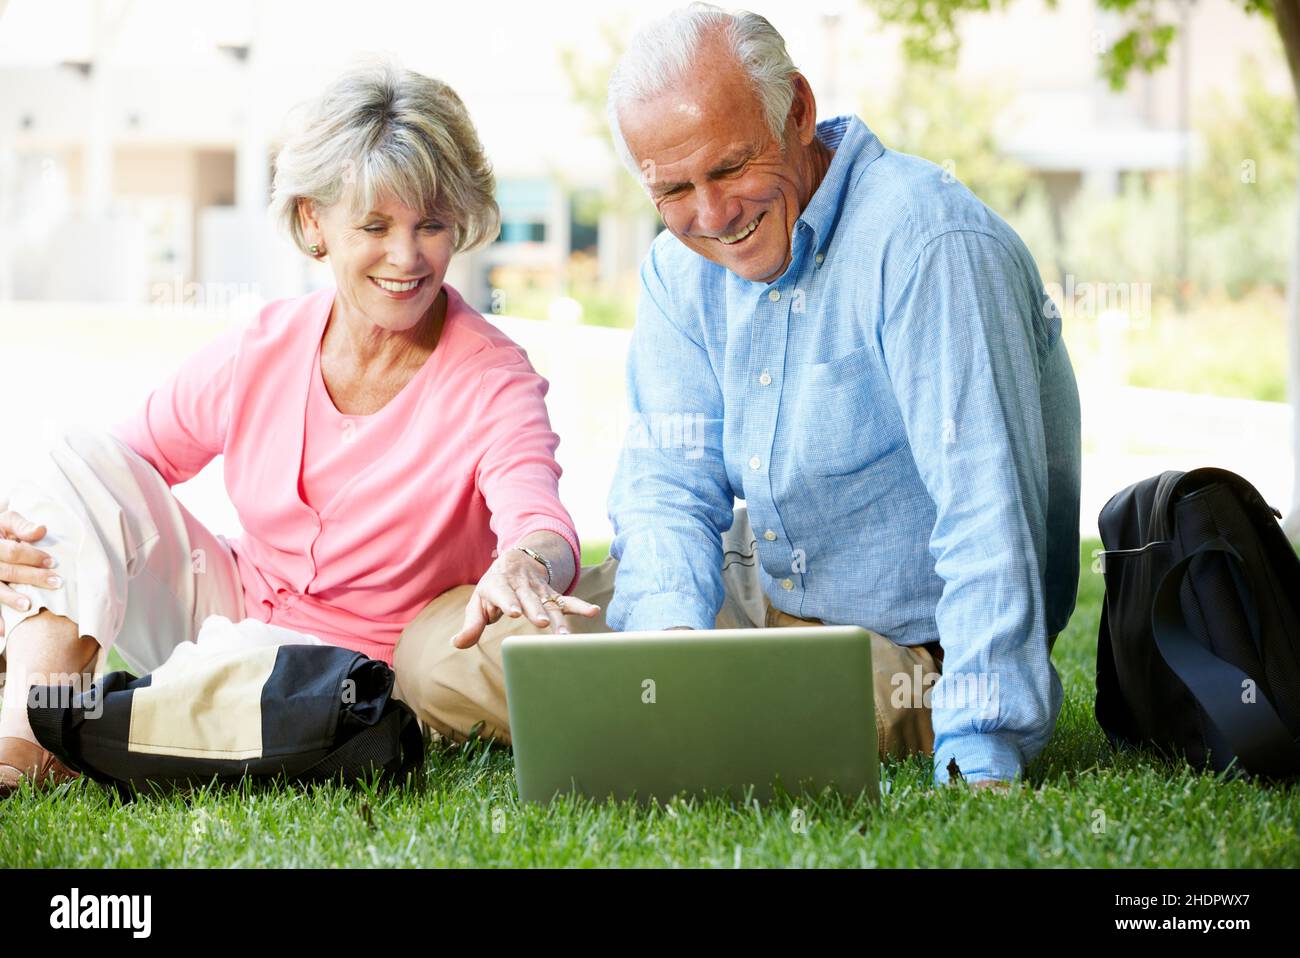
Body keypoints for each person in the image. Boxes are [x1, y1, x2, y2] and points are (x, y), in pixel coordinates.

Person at [401, 3, 1081, 792]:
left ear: (796, 111)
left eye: (728, 169)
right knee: (437, 657)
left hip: (903, 650)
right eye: (673, 189)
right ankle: (680, 703)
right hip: (752, 600)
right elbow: (667, 487)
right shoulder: (676, 270)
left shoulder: (928, 244)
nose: (712, 217)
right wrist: (668, 647)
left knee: (720, 703)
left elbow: (988, 512)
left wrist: (982, 749)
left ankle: (677, 716)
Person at [0, 61, 598, 796]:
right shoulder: (267, 343)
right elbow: (115, 470)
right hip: (223, 603)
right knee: (71, 460)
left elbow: (538, 516)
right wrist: (40, 529)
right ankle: (31, 735)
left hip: (340, 677)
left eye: (432, 225)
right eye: (374, 226)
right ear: (315, 221)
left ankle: (74, 714)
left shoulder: (491, 377)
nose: (407, 258)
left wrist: (527, 563)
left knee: (232, 660)